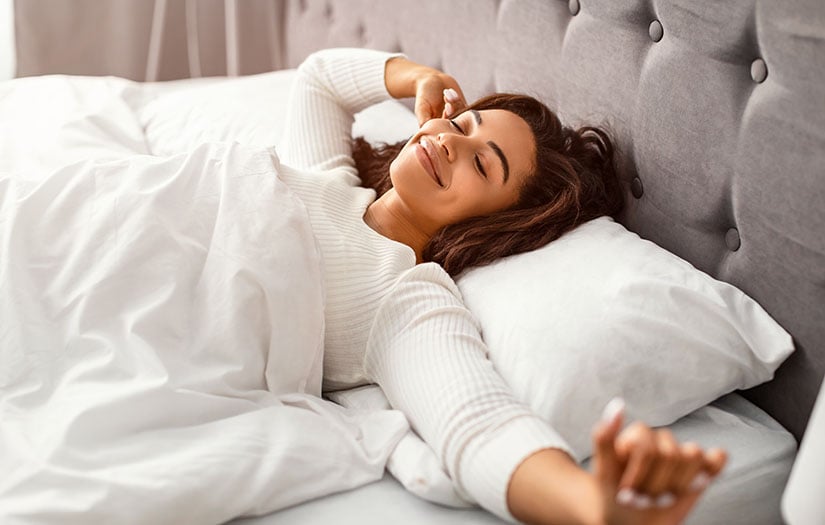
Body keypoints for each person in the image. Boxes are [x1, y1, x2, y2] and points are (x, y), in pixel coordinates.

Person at [276, 48, 727, 525]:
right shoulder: (327, 179)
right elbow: (318, 81)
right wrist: (425, 77)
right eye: (465, 124)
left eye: (483, 165)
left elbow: (480, 429)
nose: (450, 142)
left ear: (497, 225)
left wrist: (594, 505)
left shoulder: (402, 302)